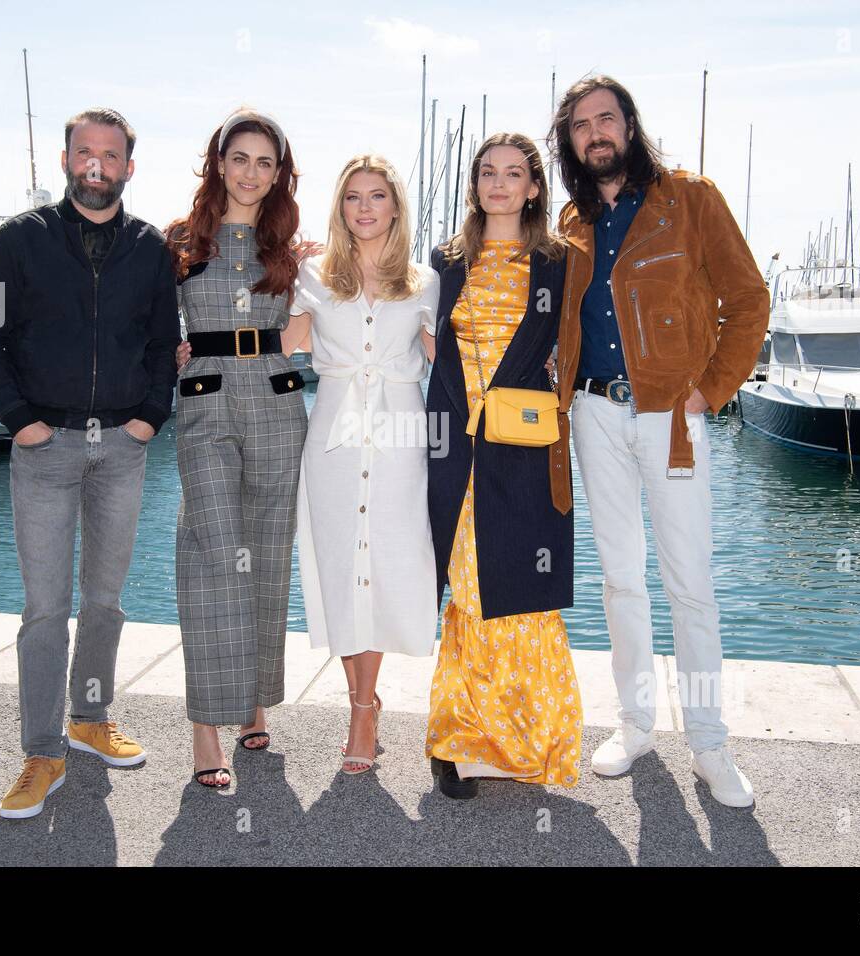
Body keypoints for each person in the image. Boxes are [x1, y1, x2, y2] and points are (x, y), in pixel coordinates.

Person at [548, 75, 769, 808]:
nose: (595, 133)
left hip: (672, 417)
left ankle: (708, 742)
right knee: (620, 579)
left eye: (605, 118)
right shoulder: (573, 221)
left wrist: (712, 389)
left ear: (629, 124)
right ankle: (636, 723)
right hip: (592, 416)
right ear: (571, 141)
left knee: (691, 585)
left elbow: (747, 298)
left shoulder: (690, 199)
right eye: (581, 125)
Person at [0, 107, 179, 820]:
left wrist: (151, 416)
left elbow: (161, 342)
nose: (96, 164)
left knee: (106, 601)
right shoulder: (19, 240)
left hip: (123, 447)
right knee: (46, 608)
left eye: (109, 154)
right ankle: (41, 751)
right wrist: (20, 422)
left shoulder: (149, 249)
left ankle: (90, 719)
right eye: (84, 152)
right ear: (66, 161)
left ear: (128, 166)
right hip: (45, 449)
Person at [424, 132, 580, 800]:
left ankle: (527, 741)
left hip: (523, 450)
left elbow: (581, 342)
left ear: (534, 187)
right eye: (487, 172)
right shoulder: (447, 259)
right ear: (475, 184)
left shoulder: (558, 262)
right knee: (470, 594)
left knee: (525, 597)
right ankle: (456, 742)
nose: (498, 184)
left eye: (513, 174)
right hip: (456, 452)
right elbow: (419, 336)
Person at [164, 108, 308, 789]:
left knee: (267, 554)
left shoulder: (290, 249)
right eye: (241, 158)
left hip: (277, 399)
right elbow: (143, 324)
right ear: (218, 162)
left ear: (279, 174)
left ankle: (252, 699)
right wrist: (165, 352)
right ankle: (203, 727)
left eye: (266, 162)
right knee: (212, 552)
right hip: (206, 401)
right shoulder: (180, 243)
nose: (252, 172)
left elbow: (339, 315)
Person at [287, 154, 439, 774]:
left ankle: (362, 713)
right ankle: (361, 701)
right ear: (341, 207)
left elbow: (447, 357)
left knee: (384, 562)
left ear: (396, 206)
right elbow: (287, 342)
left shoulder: (424, 280)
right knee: (341, 563)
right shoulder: (314, 273)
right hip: (333, 439)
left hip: (401, 436)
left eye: (378, 196)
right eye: (354, 197)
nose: (366, 207)